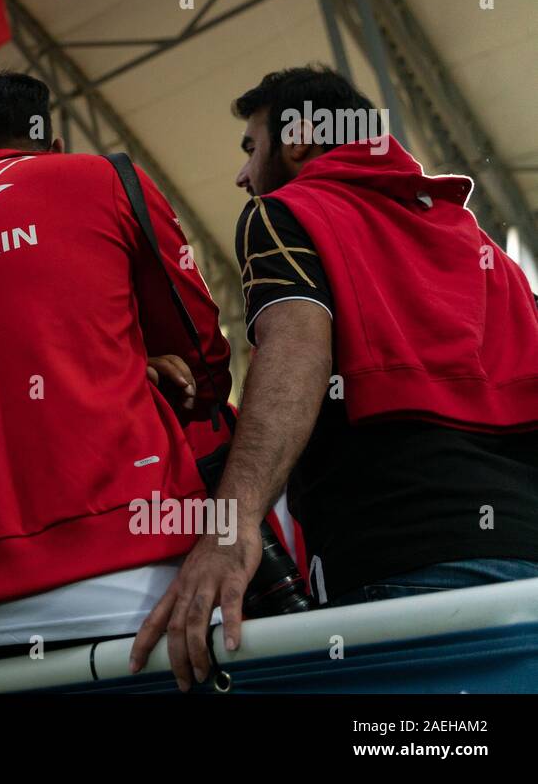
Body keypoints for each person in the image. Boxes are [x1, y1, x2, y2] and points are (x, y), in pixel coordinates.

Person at [130, 65, 538, 690]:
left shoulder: (288, 212)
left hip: (402, 585)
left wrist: (231, 526)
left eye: (251, 148)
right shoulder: (485, 250)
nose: (243, 174)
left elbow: (296, 350)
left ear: (296, 141)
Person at [0, 71, 232, 662]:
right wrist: (136, 369)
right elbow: (207, 364)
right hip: (125, 584)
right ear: (52, 143)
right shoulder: (102, 179)